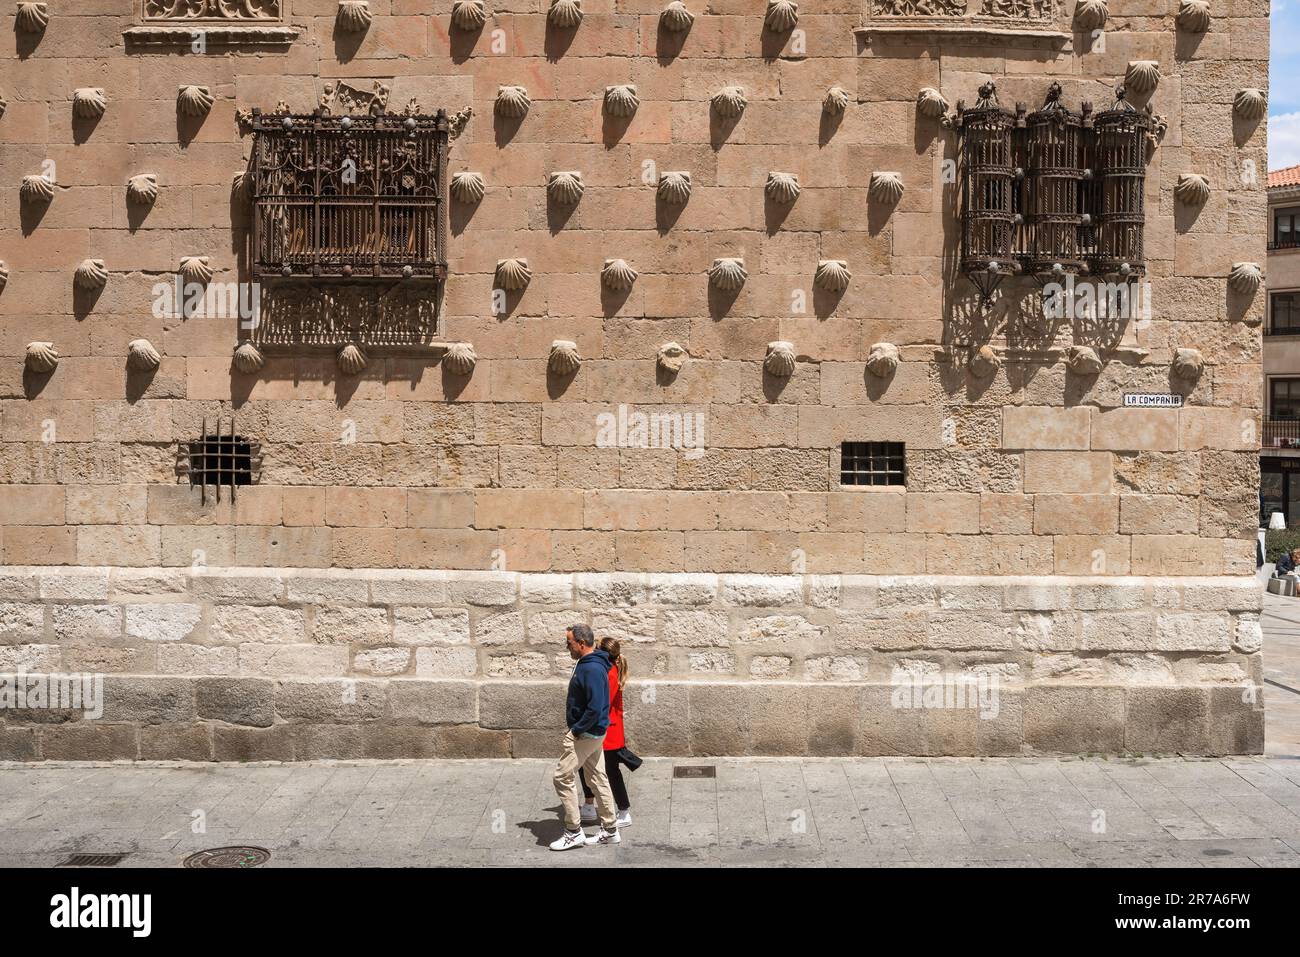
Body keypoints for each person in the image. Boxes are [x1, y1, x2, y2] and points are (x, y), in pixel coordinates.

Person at [549, 624, 619, 851]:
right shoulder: (590, 664)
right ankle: (610, 829)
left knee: (561, 776)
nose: (567, 646)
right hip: (595, 732)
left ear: (581, 643)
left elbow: (596, 706)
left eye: (568, 642)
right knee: (597, 777)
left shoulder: (590, 669)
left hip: (586, 734)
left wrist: (576, 731)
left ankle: (573, 832)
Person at [578, 637, 640, 829]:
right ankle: (589, 805)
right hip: (608, 730)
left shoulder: (609, 674)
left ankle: (623, 810)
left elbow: (601, 703)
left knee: (611, 772)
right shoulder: (608, 671)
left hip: (608, 732)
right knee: (585, 766)